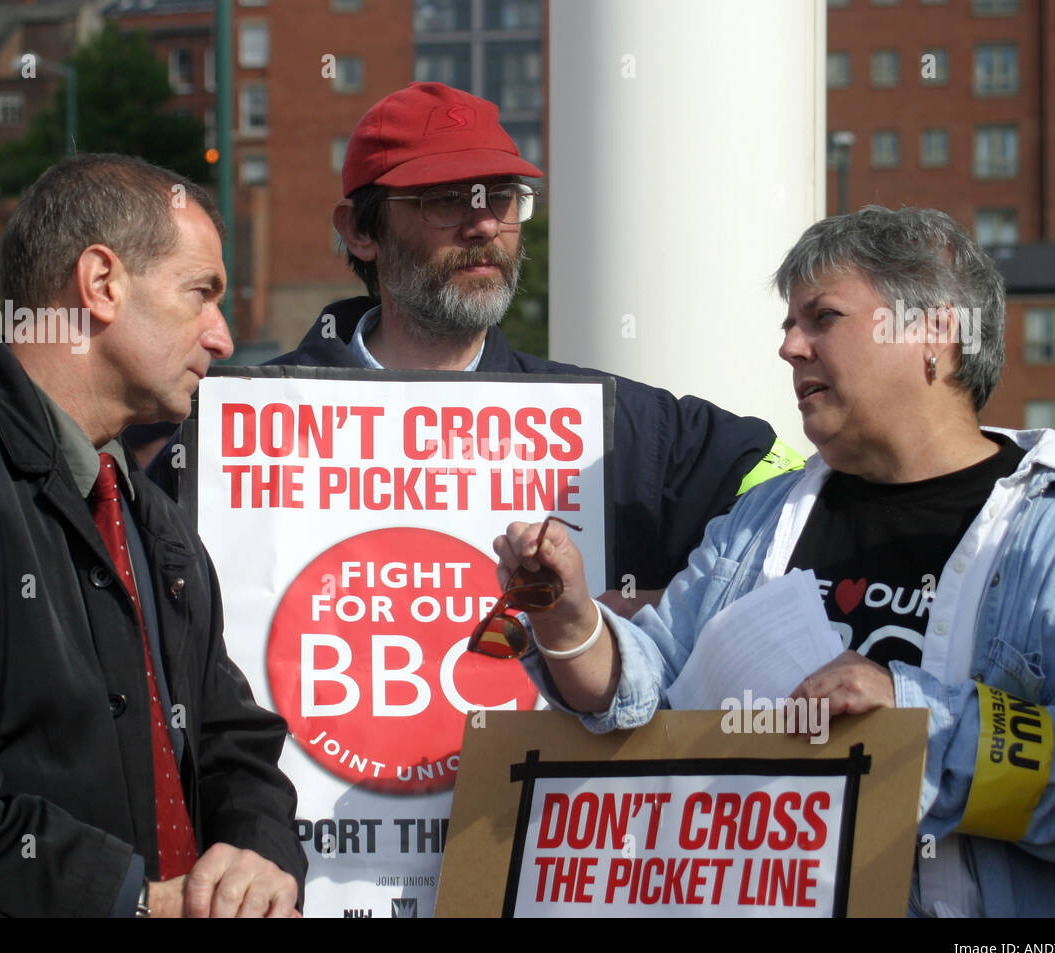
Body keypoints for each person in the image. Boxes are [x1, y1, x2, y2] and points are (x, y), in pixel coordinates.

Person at [490, 206, 1055, 916]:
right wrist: (568, 619)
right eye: (789, 325)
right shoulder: (764, 520)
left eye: (822, 317)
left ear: (935, 335)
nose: (791, 347)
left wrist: (913, 721)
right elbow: (647, 701)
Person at [0, 154, 306, 917]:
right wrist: (133, 900)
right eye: (201, 293)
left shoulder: (149, 514)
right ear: (101, 283)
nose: (222, 335)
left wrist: (259, 852)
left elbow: (230, 740)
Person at [148, 81, 802, 602]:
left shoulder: (617, 430)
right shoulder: (237, 429)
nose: (485, 222)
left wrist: (665, 611)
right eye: (445, 199)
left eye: (504, 197)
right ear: (359, 231)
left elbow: (809, 515)